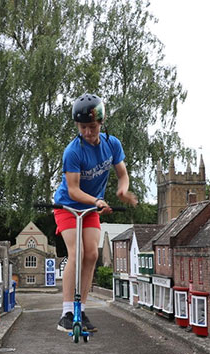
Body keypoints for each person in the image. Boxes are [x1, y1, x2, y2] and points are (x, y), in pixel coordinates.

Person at [53, 93, 138, 332]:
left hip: (91, 208)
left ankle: (81, 310)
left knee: (91, 254)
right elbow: (73, 190)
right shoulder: (73, 151)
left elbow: (122, 174)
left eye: (91, 127)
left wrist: (123, 191)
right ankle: (66, 313)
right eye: (82, 127)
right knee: (77, 252)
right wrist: (98, 201)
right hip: (68, 206)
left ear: (101, 123)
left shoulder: (112, 144)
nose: (87, 132)